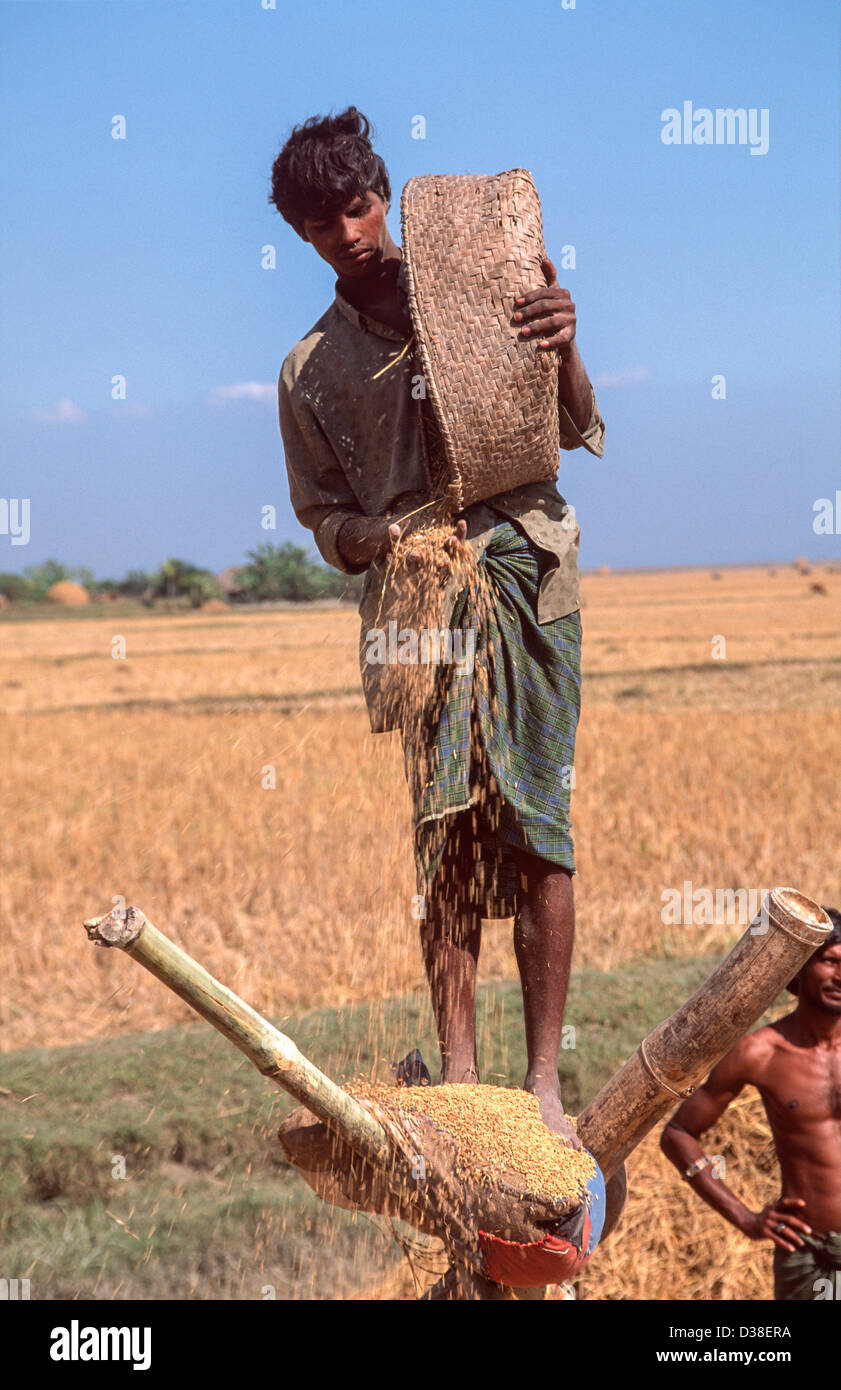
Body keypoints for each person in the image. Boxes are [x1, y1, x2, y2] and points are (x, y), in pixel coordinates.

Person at [270, 107, 605, 1146]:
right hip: (417, 608)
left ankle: (543, 1080)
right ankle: (460, 1071)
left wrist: (567, 337)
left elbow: (573, 426)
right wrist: (384, 538)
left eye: (359, 206)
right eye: (324, 225)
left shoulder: (490, 285)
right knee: (446, 835)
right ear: (302, 237)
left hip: (527, 572)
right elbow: (321, 519)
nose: (351, 234)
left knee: (539, 829)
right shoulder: (309, 370)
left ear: (384, 190)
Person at [660, 908, 841, 1299]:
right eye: (830, 961)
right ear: (799, 969)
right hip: (808, 1255)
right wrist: (745, 1218)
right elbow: (679, 1135)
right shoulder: (761, 1053)